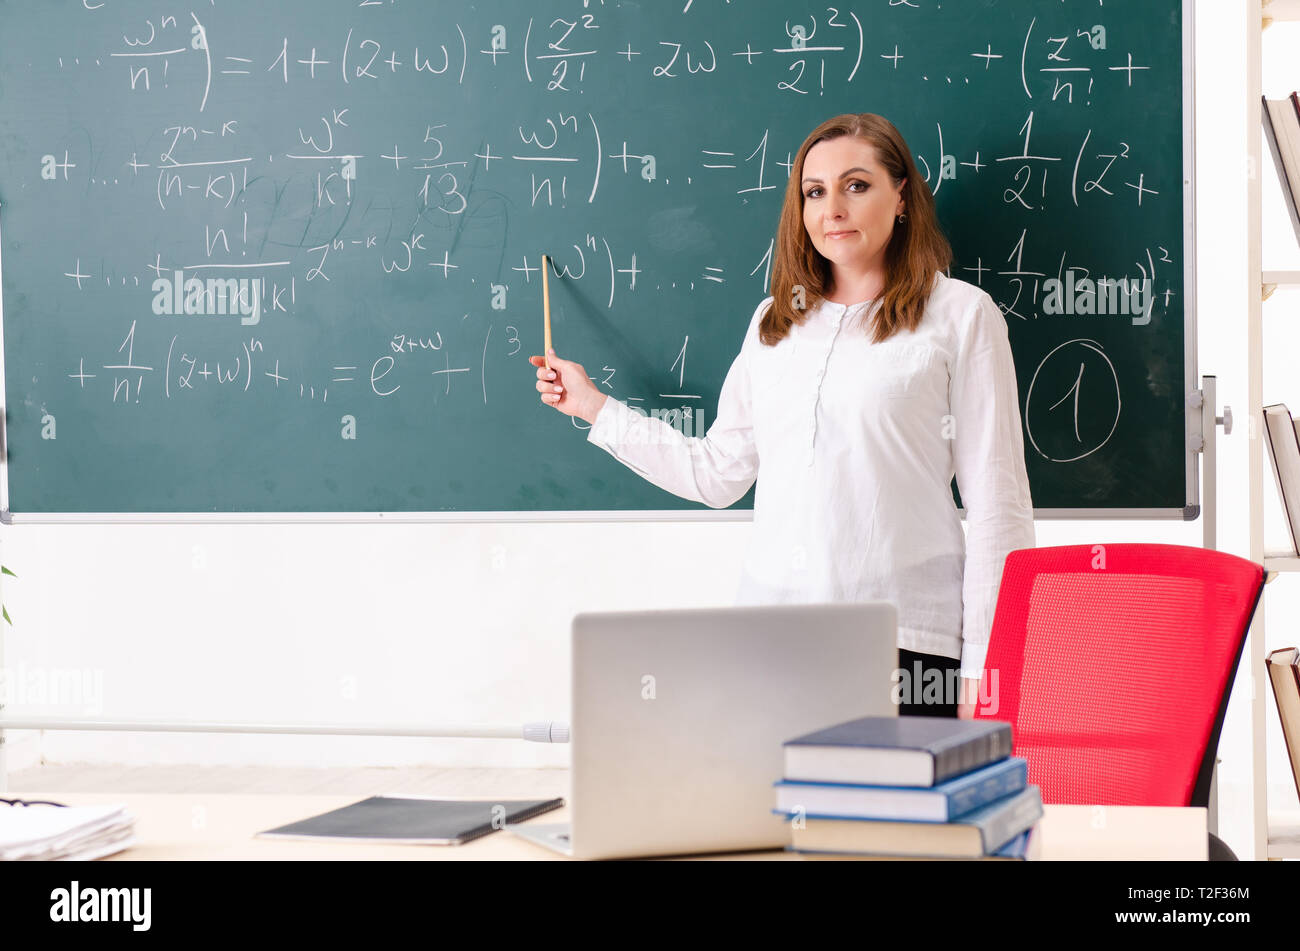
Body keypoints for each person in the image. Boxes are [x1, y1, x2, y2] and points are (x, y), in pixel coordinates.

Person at [528, 113, 1035, 719]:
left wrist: (985, 667)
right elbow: (717, 473)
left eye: (857, 185)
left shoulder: (959, 315)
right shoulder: (777, 321)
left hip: (907, 643)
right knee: (772, 815)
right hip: (773, 639)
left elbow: (999, 505)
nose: (832, 209)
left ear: (902, 196)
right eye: (814, 192)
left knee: (889, 815)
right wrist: (593, 406)